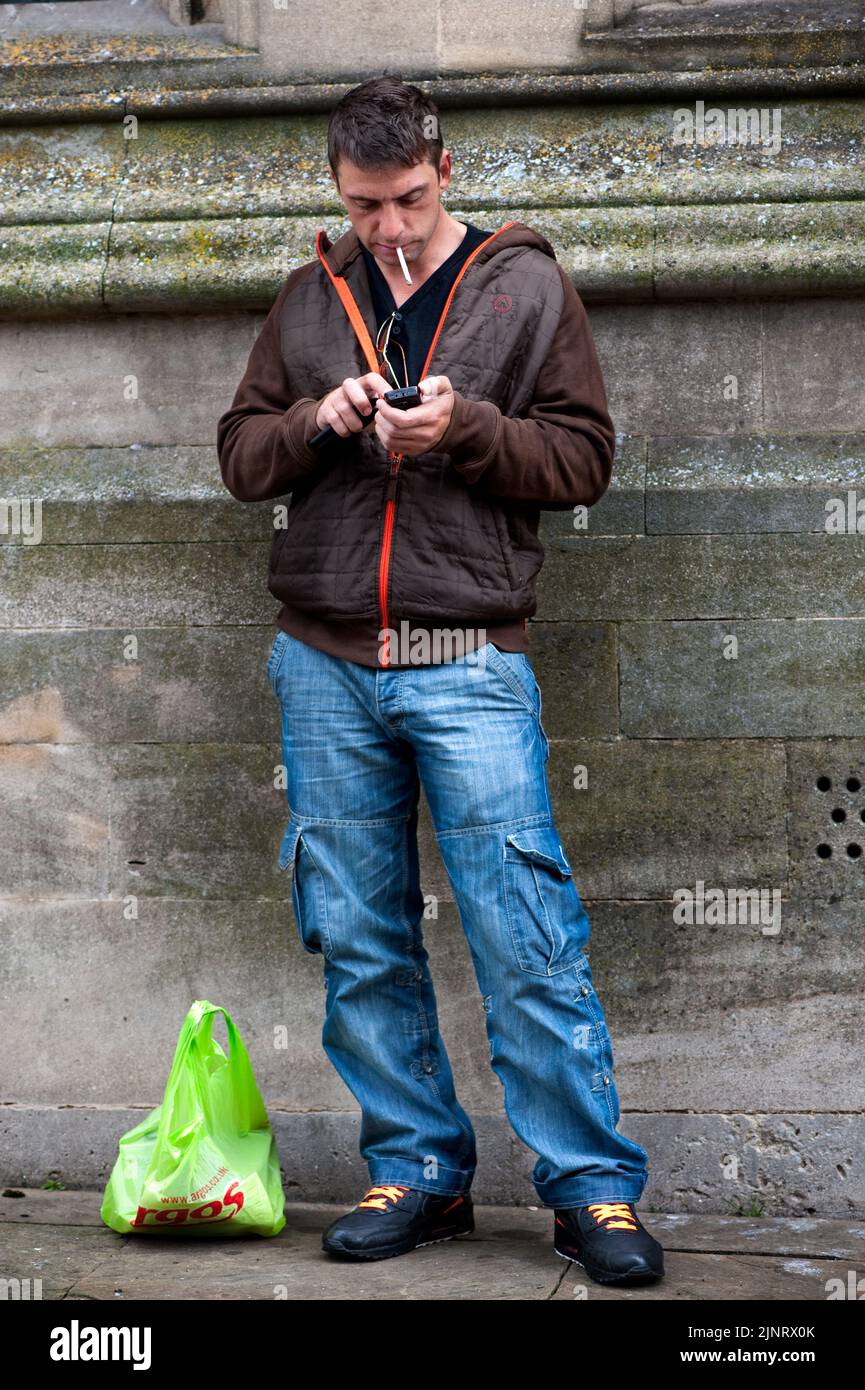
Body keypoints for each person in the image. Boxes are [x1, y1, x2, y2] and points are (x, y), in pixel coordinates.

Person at [216, 74, 664, 1286]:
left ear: (446, 171)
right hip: (323, 660)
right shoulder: (310, 297)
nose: (390, 229)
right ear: (337, 189)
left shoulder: (525, 285)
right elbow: (240, 455)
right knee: (359, 936)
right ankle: (416, 1170)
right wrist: (318, 418)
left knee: (524, 931)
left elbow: (582, 460)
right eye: (365, 206)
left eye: (409, 198)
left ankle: (593, 1192)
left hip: (465, 655)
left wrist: (461, 430)